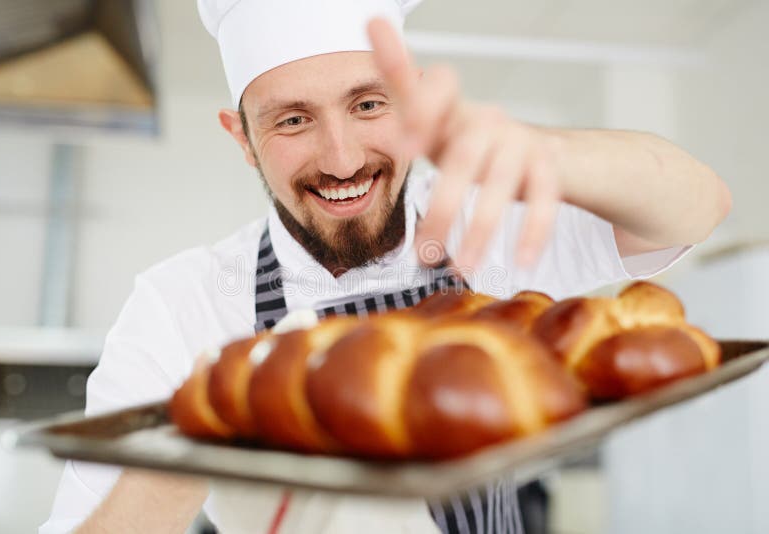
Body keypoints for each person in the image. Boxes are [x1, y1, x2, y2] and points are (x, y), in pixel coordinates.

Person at [40, 0, 732, 533]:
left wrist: (546, 152)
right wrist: (196, 437)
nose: (341, 159)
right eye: (291, 121)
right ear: (242, 139)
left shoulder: (483, 223)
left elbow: (699, 207)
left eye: (368, 105)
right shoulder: (181, 305)